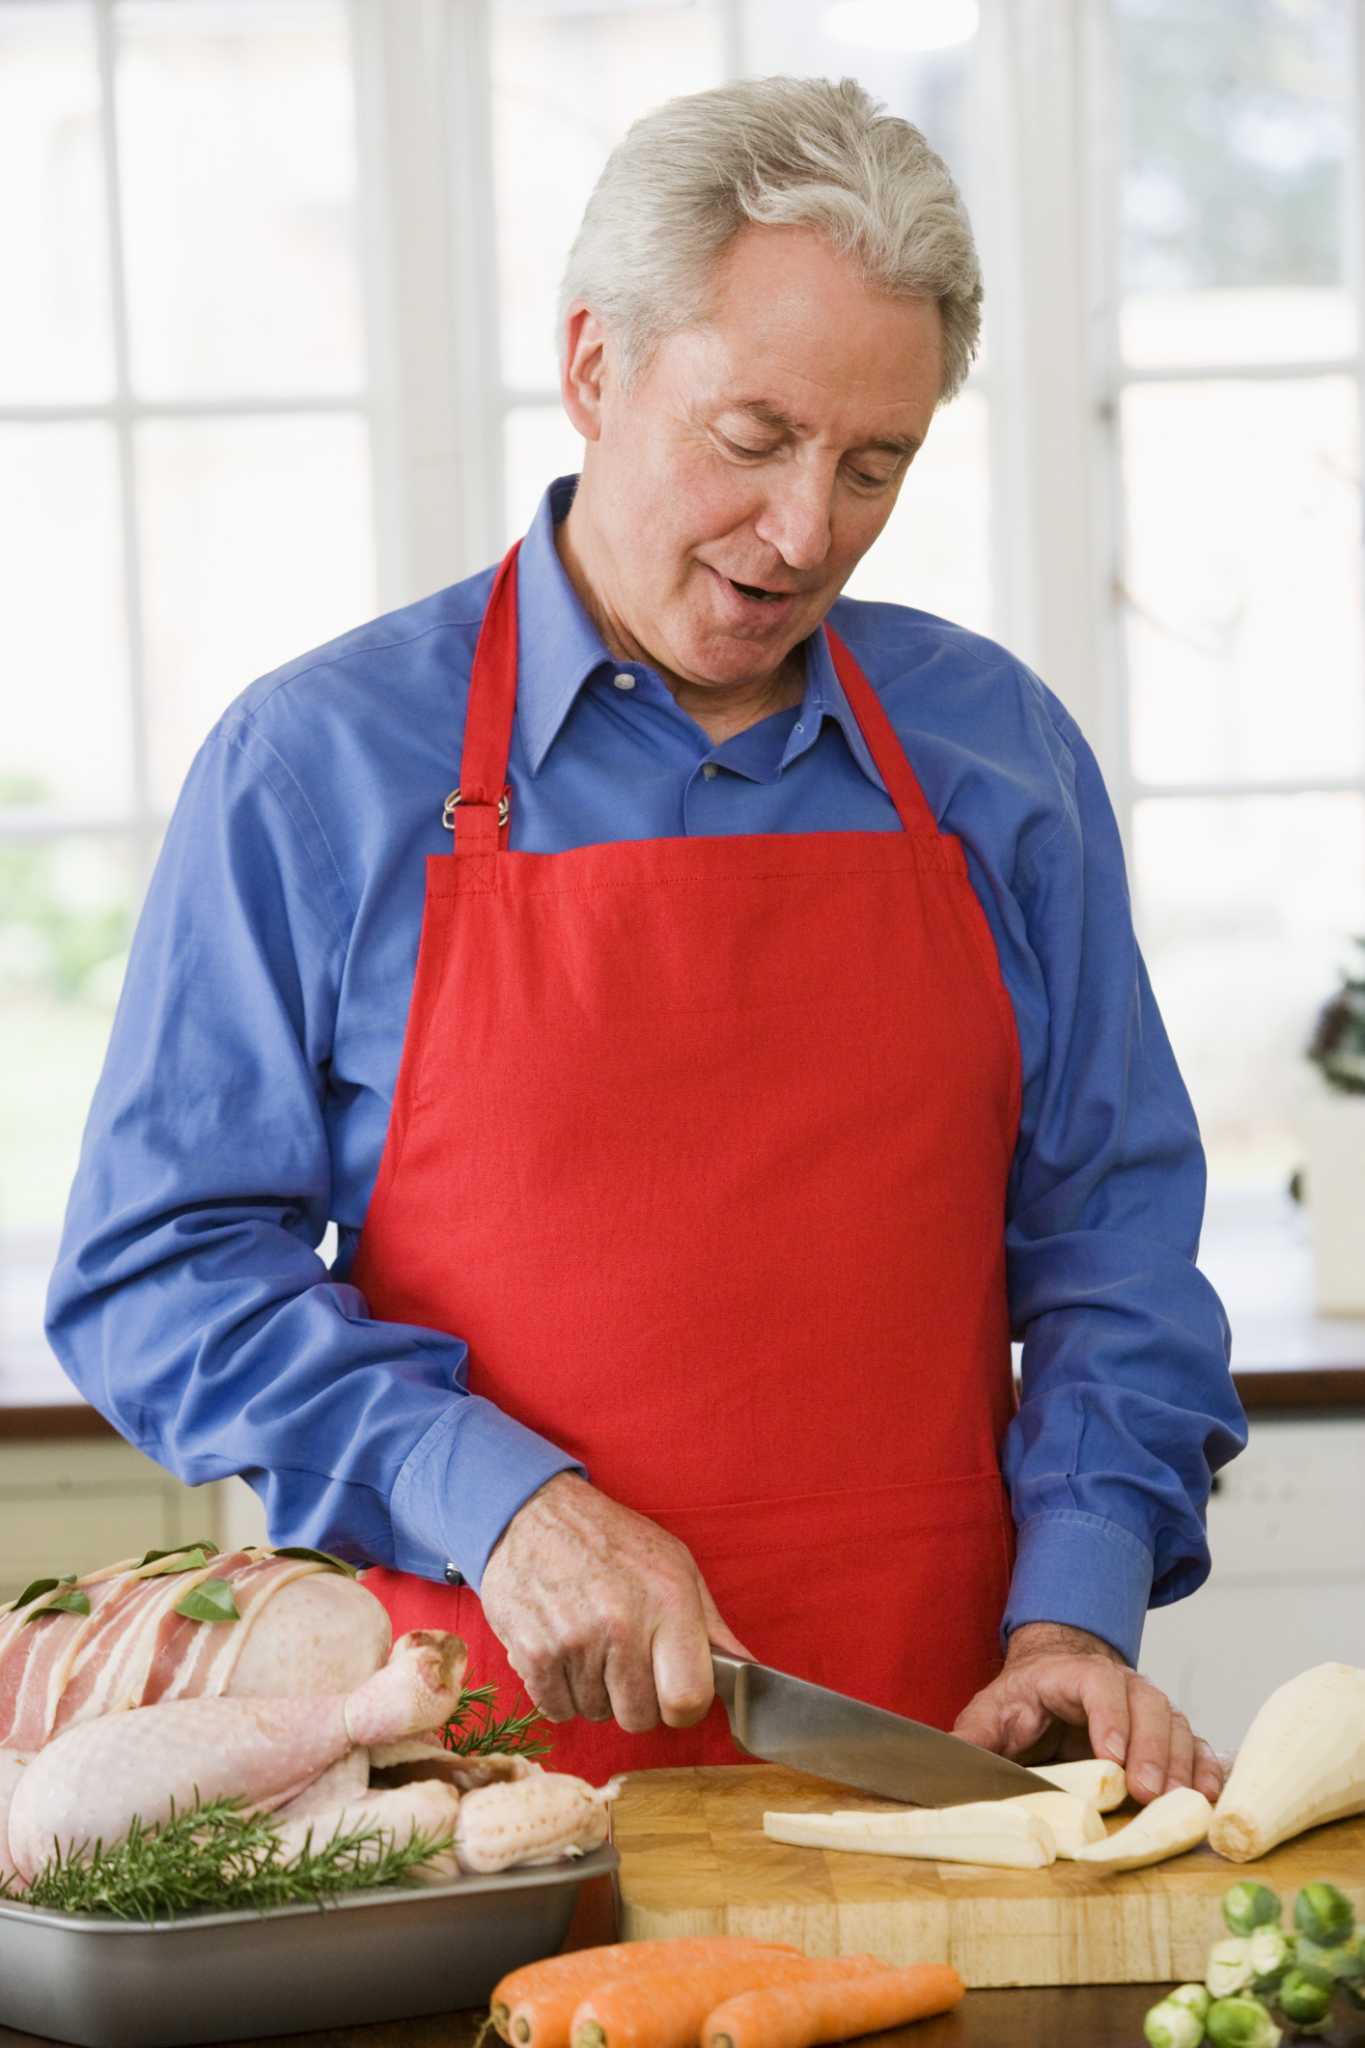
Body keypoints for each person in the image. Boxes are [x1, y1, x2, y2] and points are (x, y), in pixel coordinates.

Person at [47, 75, 1245, 1805]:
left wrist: (1072, 1617)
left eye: (872, 465)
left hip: (940, 1761)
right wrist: (499, 1499)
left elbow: (1116, 1252)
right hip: (473, 1784)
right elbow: (156, 1272)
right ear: (596, 366)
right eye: (751, 437)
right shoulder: (318, 766)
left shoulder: (997, 759)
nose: (802, 532)